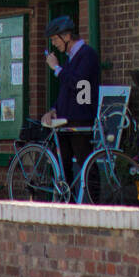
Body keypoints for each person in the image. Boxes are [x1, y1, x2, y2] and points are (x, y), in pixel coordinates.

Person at [41, 15, 100, 187]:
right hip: (66, 119)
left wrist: (57, 68)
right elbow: (66, 91)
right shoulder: (72, 58)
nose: (54, 44)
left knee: (86, 165)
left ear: (66, 36)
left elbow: (80, 85)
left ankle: (95, 205)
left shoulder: (87, 55)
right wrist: (54, 109)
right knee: (64, 167)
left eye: (55, 39)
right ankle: (68, 203)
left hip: (80, 118)